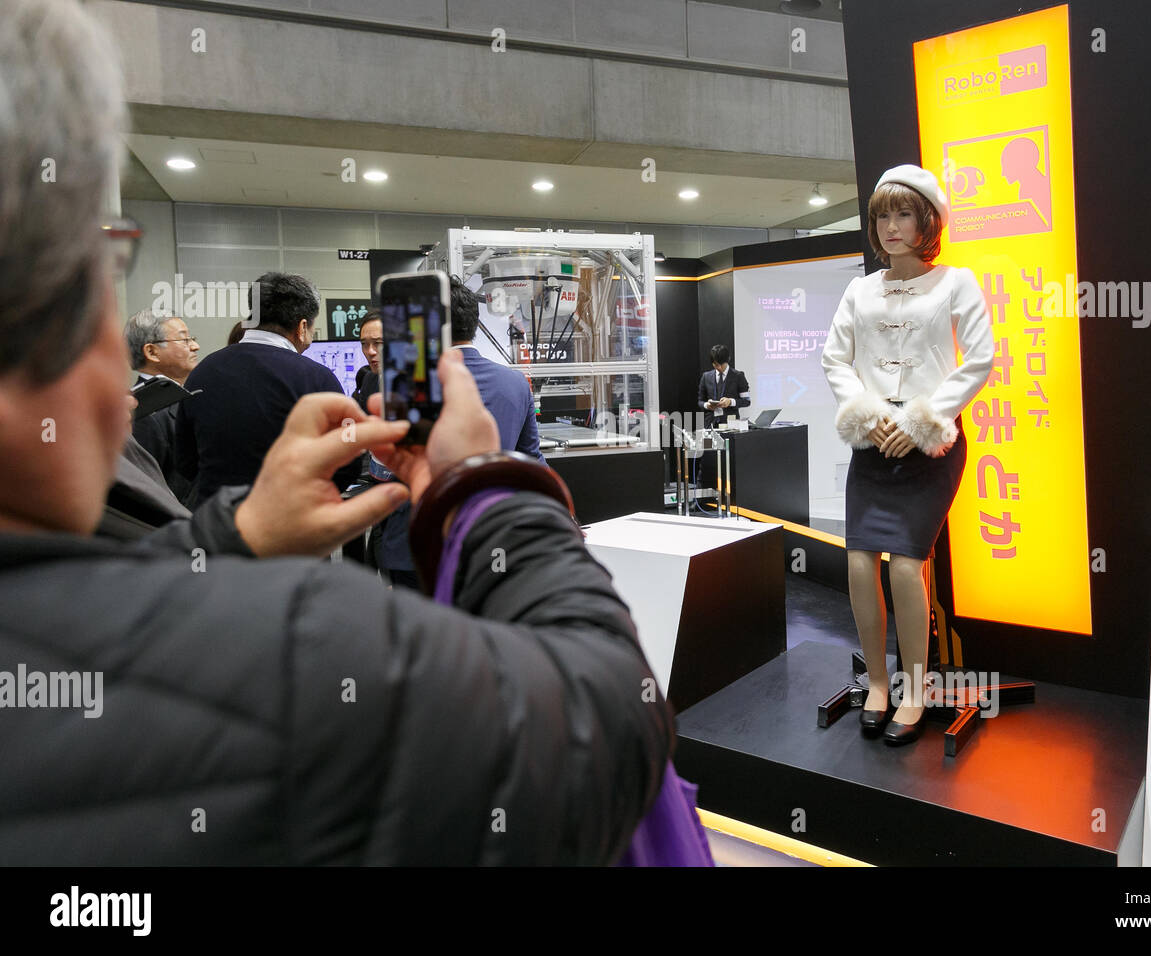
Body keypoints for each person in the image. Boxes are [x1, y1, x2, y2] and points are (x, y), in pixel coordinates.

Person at [0, 0, 671, 864]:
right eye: (106, 266)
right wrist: (479, 482)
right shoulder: (302, 646)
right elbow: (608, 723)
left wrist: (234, 538)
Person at [821, 164, 994, 747]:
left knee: (904, 564)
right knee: (856, 560)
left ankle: (915, 690)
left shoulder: (956, 282)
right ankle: (876, 681)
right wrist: (870, 416)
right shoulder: (859, 289)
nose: (891, 226)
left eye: (904, 214)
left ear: (928, 221)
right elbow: (834, 359)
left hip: (930, 447)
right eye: (882, 216)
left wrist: (921, 419)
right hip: (871, 445)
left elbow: (980, 359)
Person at [175, 272, 360, 505]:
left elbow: (185, 461)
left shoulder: (201, 372)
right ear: (302, 327)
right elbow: (347, 460)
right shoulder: (318, 378)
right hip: (289, 524)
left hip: (214, 524)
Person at [449, 278, 545, 463]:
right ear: (475, 323)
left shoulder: (420, 386)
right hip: (502, 490)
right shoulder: (517, 382)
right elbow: (532, 458)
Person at [125, 307, 200, 504]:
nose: (195, 346)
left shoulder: (183, 397)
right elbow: (147, 487)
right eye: (184, 340)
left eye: (192, 338)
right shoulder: (143, 411)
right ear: (152, 351)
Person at [696, 344, 751, 428]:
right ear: (712, 363)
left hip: (731, 425)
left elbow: (746, 401)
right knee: (709, 442)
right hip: (710, 424)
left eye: (722, 364)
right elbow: (700, 401)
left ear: (728, 360)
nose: (720, 367)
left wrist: (730, 402)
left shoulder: (738, 376)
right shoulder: (706, 377)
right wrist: (707, 405)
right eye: (716, 364)